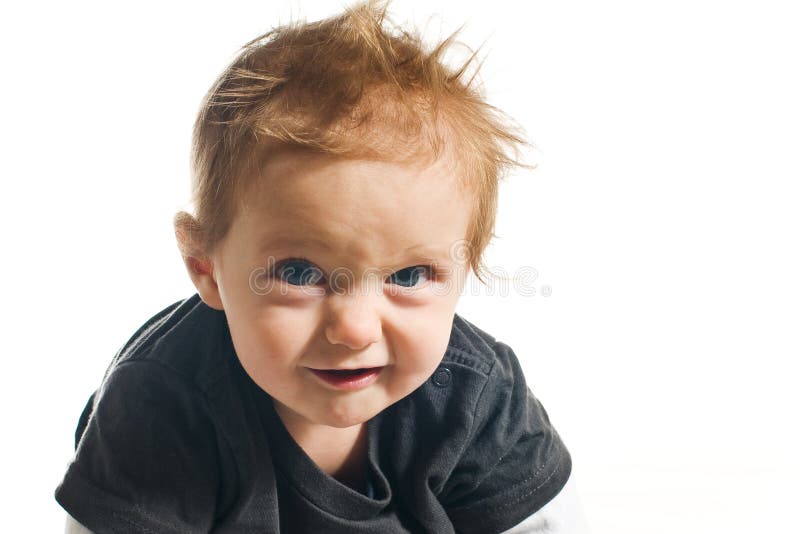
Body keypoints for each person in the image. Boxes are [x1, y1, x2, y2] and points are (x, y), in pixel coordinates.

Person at [55, 1, 583, 532]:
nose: (354, 329)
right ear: (205, 268)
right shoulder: (162, 401)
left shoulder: (478, 399)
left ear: (465, 266)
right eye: (300, 274)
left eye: (407, 276)